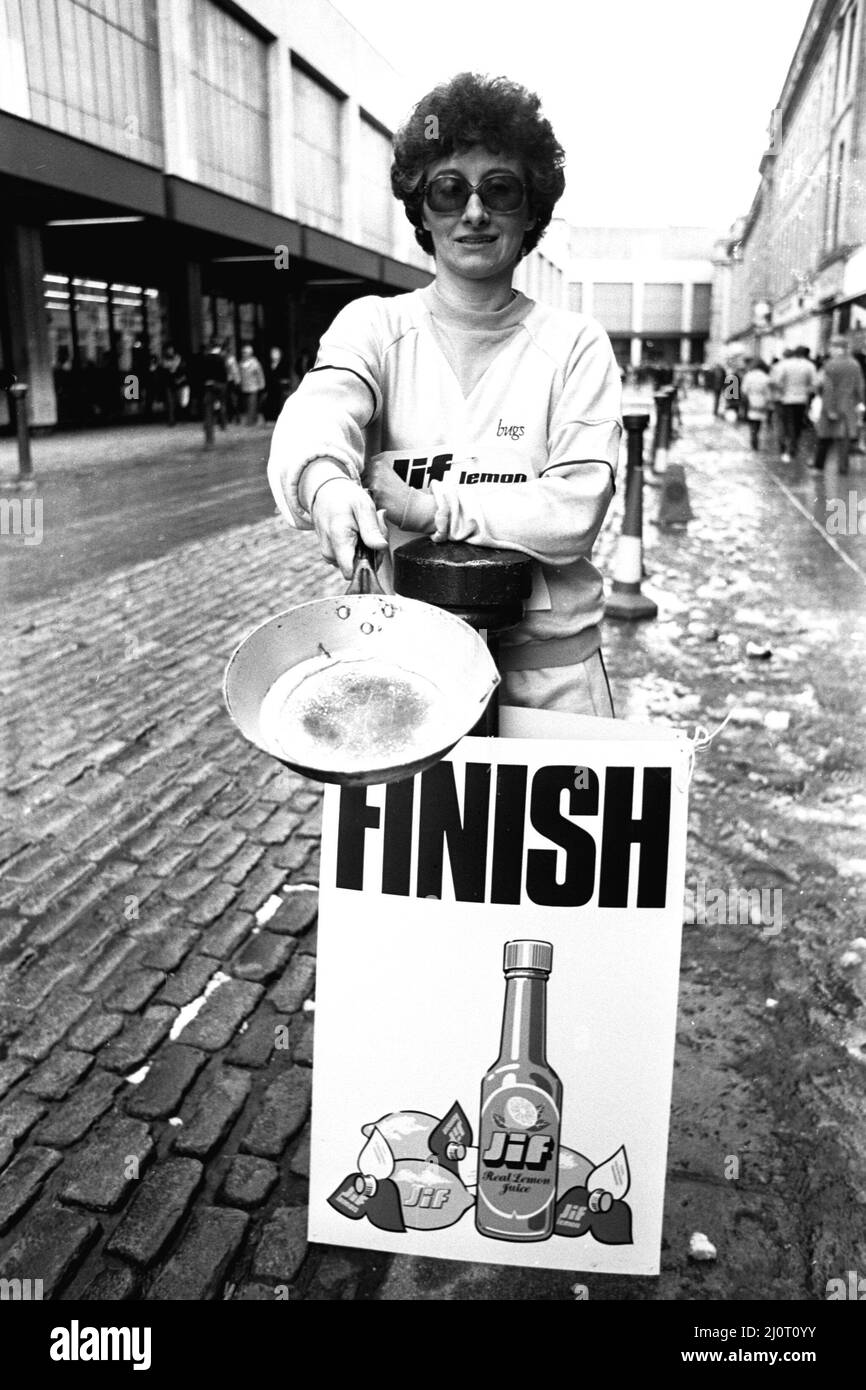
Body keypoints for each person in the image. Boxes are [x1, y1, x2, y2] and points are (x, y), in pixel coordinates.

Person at [268, 72, 622, 717]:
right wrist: (325, 482)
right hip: (410, 686)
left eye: (501, 190)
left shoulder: (575, 345)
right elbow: (320, 410)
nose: (475, 212)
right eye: (449, 190)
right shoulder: (373, 326)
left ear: (532, 210)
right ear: (421, 210)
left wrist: (428, 509)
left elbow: (573, 512)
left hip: (552, 686)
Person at [810, 335, 865, 474]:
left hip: (832, 405)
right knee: (844, 438)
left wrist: (829, 408)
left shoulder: (830, 365)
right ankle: (843, 467)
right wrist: (861, 402)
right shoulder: (855, 364)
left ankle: (818, 466)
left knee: (824, 437)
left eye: (832, 347)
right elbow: (860, 386)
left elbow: (827, 388)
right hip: (849, 406)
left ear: (836, 348)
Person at [774, 346, 817, 461]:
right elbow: (814, 383)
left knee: (786, 422)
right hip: (802, 399)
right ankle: (793, 446)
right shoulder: (809, 366)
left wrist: (782, 391)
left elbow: (777, 382)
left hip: (786, 398)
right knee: (797, 424)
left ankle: (784, 444)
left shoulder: (784, 365)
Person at [741, 358, 770, 451]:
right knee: (759, 422)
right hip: (762, 401)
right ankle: (756, 436)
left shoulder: (749, 376)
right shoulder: (766, 377)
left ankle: (753, 438)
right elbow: (768, 392)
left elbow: (744, 390)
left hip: (751, 400)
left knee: (752, 421)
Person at [239, 343, 265, 425]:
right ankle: (249, 420)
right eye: (243, 352)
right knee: (246, 405)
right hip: (244, 387)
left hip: (253, 387)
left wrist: (262, 384)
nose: (243, 354)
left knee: (252, 404)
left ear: (250, 354)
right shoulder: (241, 363)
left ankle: (251, 421)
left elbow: (260, 374)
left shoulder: (255, 363)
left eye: (245, 352)